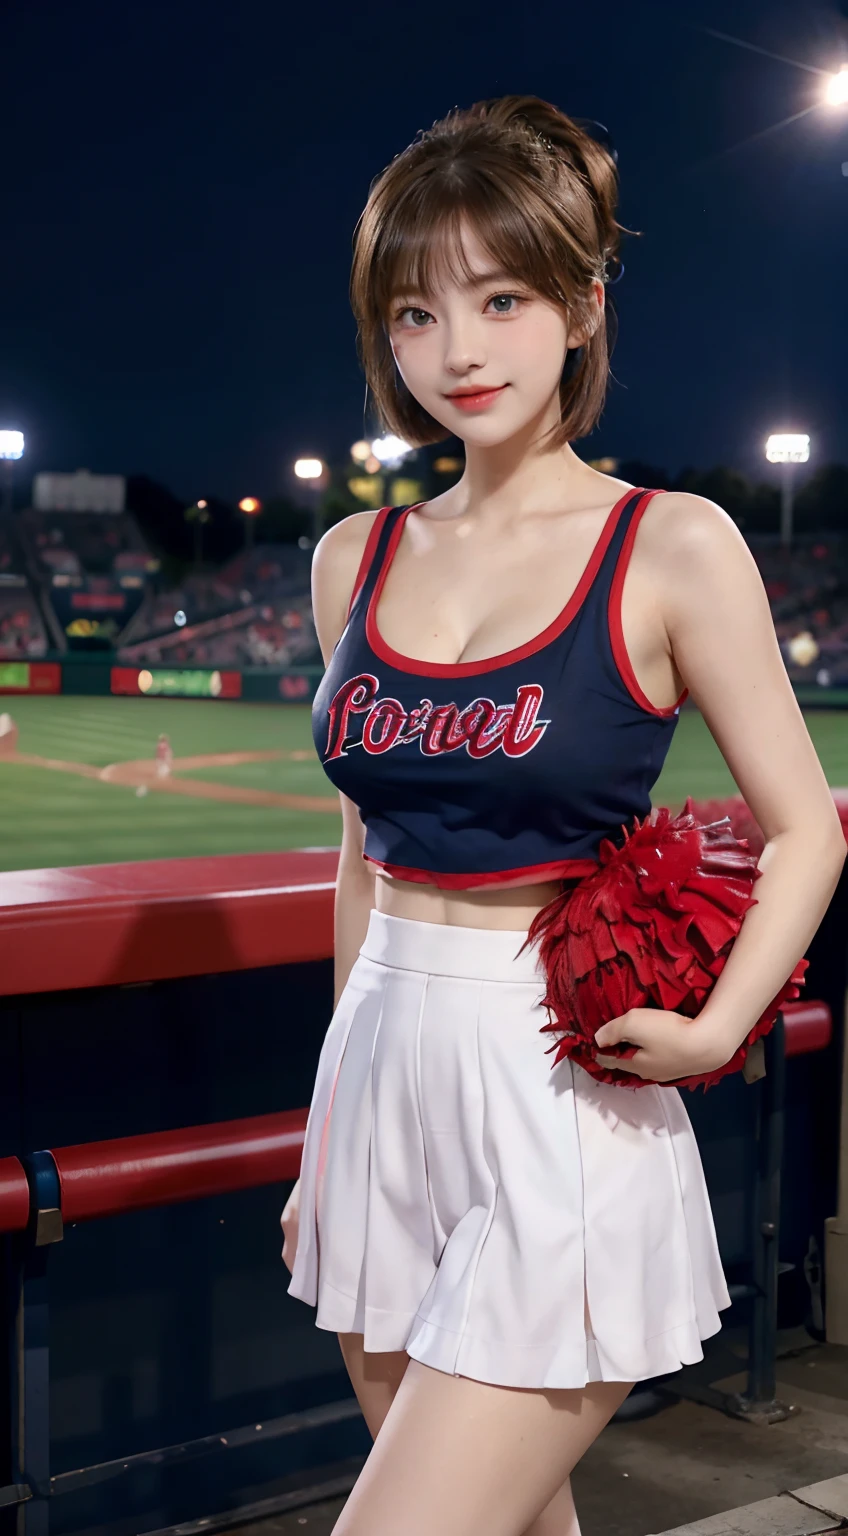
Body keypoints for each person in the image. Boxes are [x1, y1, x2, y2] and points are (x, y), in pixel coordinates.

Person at [281, 95, 845, 1536]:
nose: (458, 351)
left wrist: (720, 1032)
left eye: (502, 299)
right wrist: (332, 1115)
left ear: (584, 307)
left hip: (552, 1082)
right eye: (416, 314)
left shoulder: (672, 543)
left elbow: (807, 828)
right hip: (379, 1070)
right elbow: (359, 857)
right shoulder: (354, 556)